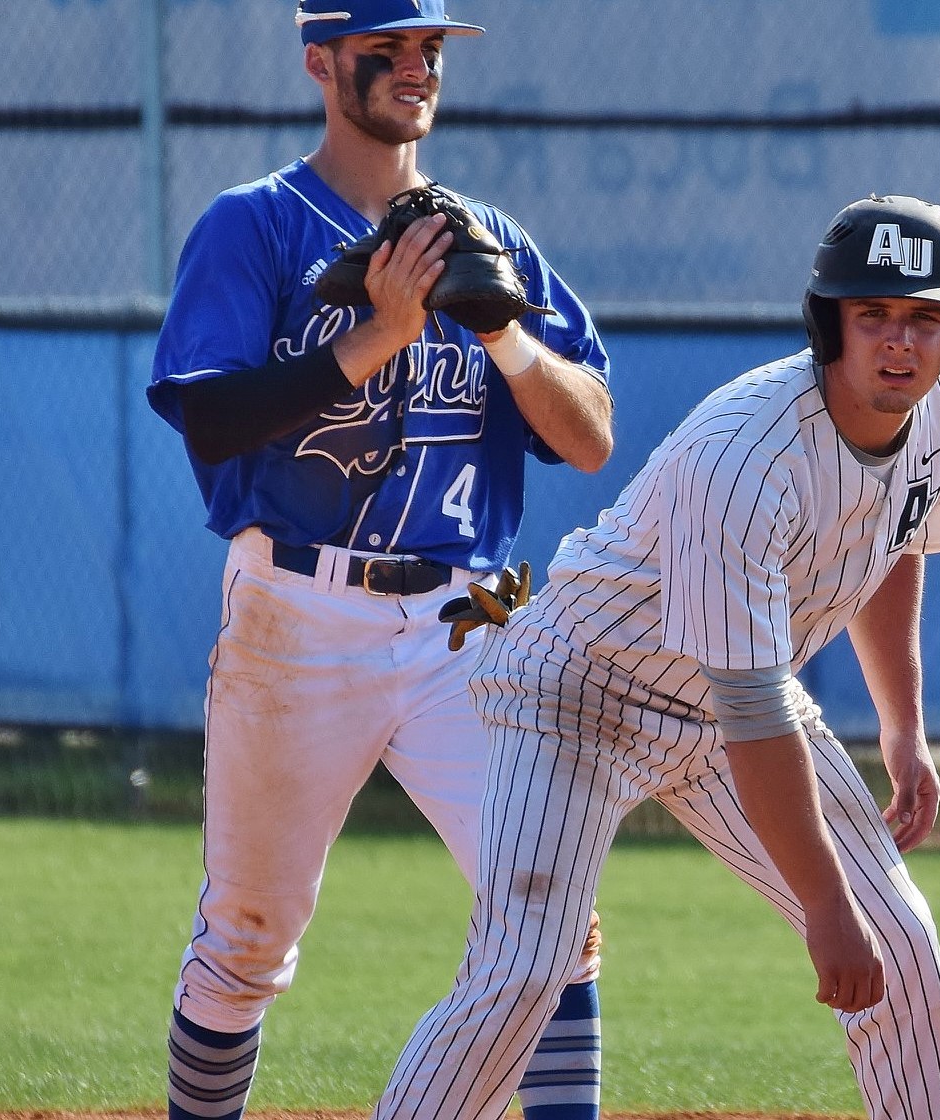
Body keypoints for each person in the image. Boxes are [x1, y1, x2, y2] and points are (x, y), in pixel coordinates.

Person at [369, 194, 940, 1120]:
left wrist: (902, 727)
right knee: (523, 975)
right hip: (577, 694)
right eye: (873, 315)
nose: (898, 343)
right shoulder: (743, 457)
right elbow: (752, 709)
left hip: (735, 702)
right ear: (831, 323)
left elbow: (896, 538)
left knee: (900, 944)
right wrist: (824, 905)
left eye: (924, 318)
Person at [144, 2, 615, 1118]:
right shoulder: (253, 224)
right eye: (385, 49)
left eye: (429, 50)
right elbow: (210, 419)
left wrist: (503, 330)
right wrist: (378, 334)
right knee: (248, 937)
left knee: (553, 911)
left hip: (471, 615)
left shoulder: (487, 236)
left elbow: (589, 436)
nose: (414, 67)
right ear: (321, 62)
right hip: (297, 612)